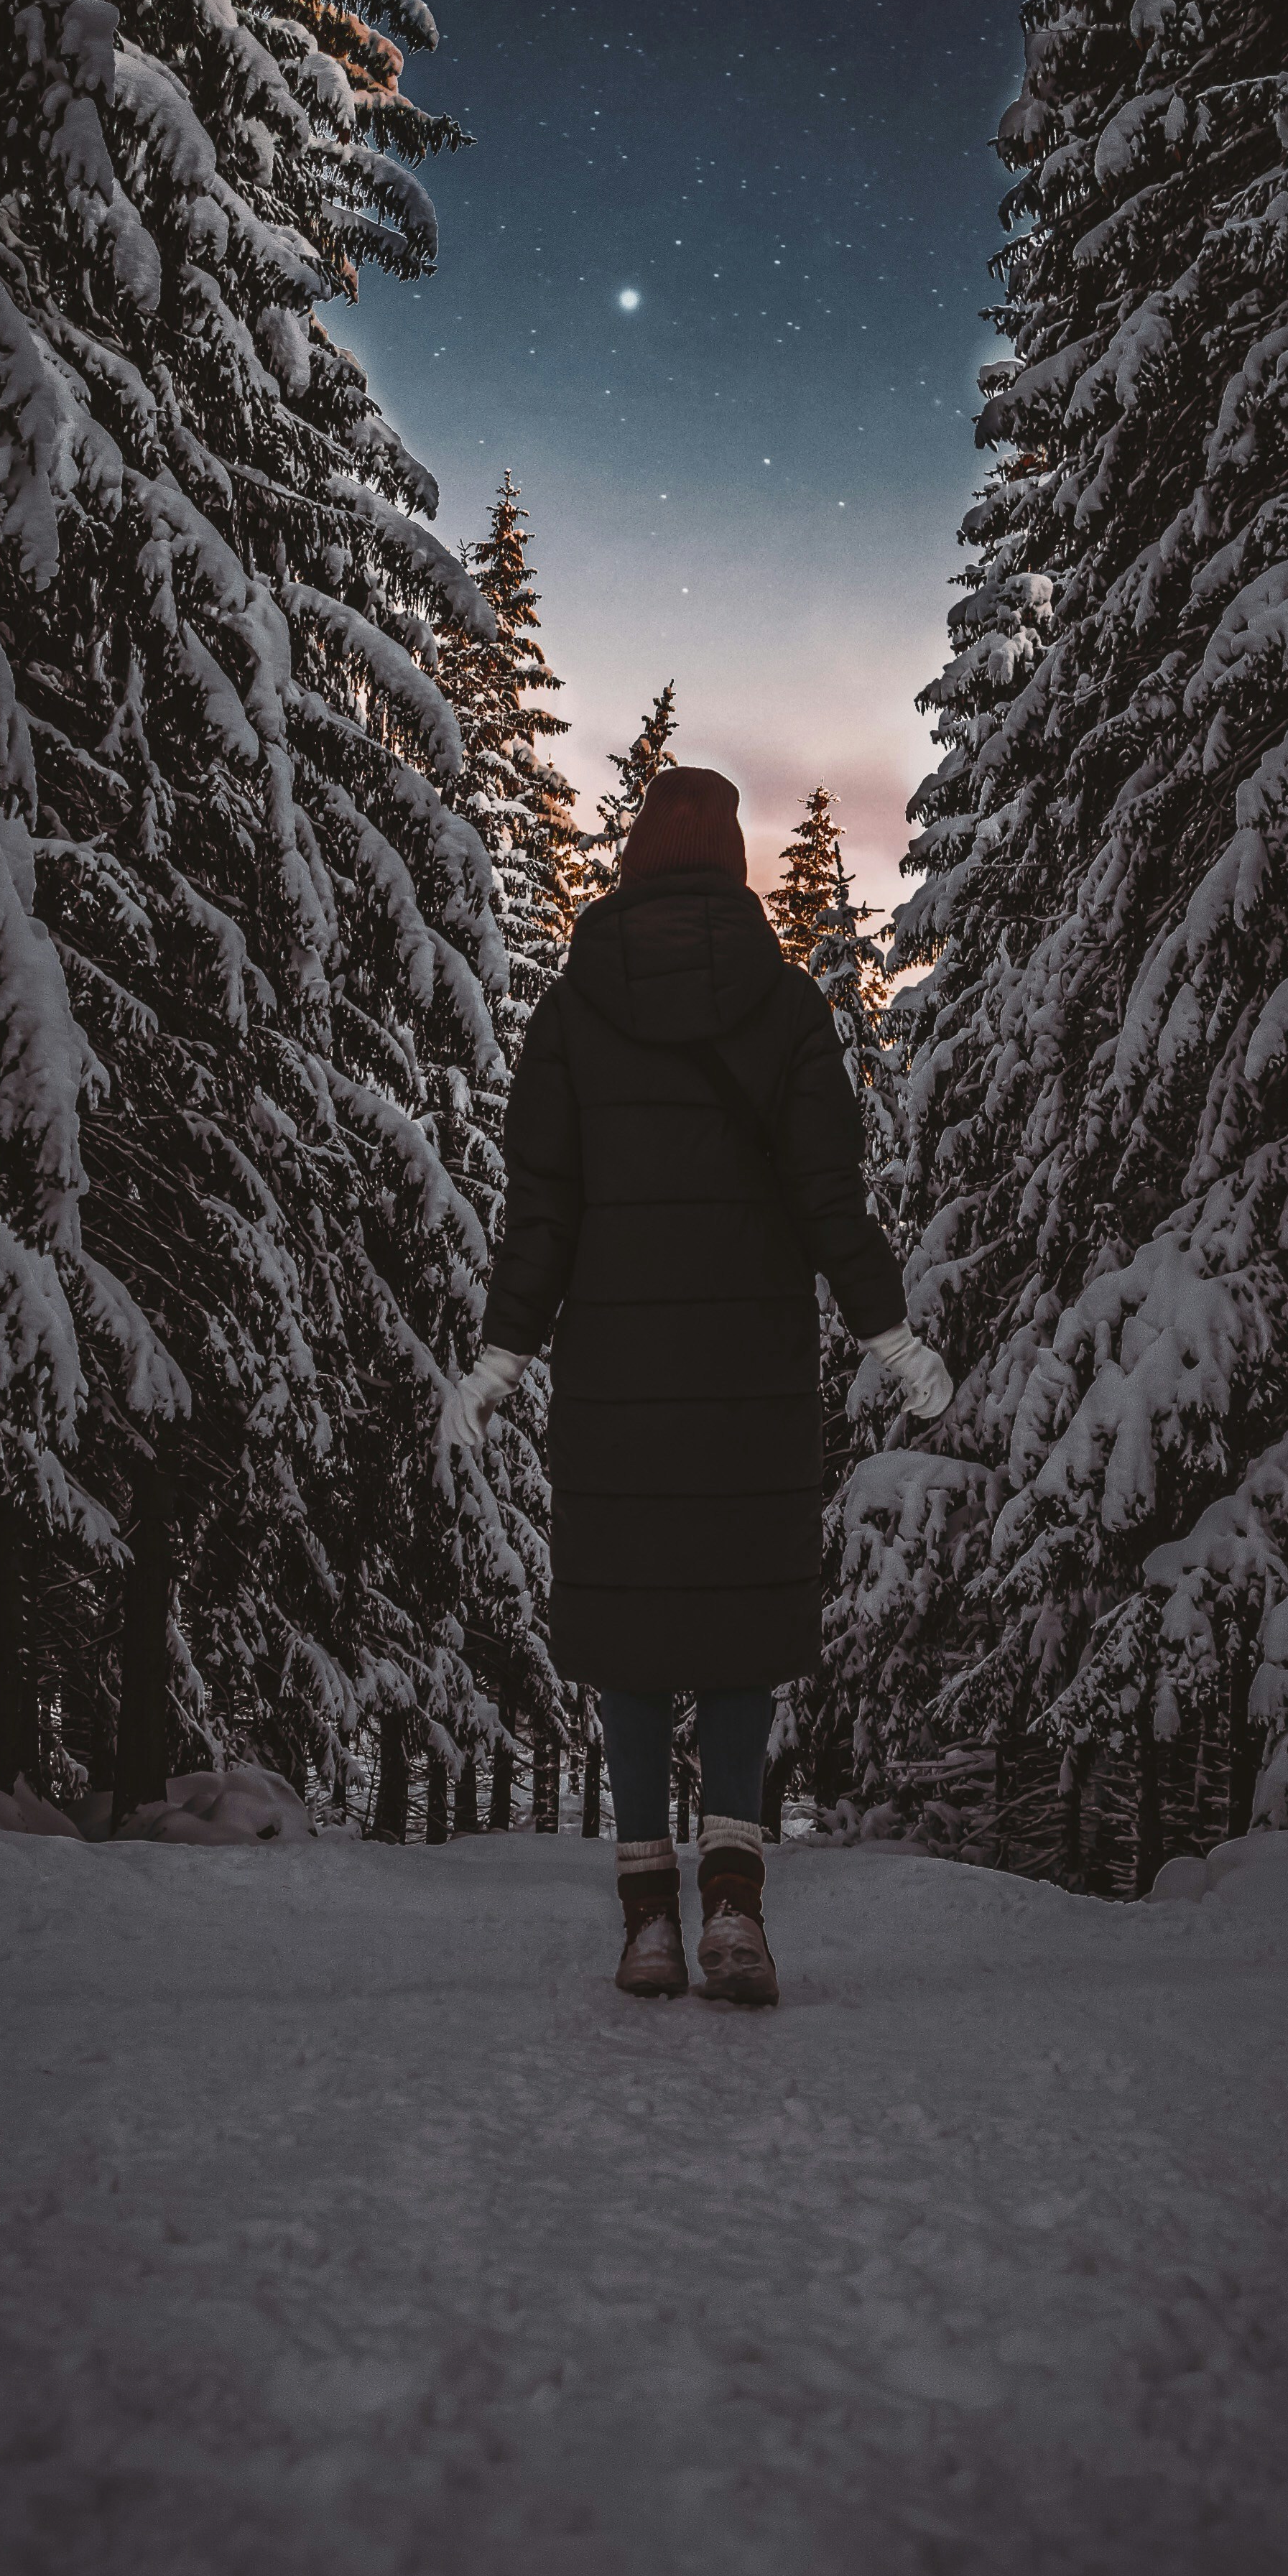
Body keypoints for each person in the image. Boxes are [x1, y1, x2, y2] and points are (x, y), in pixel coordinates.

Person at [440, 766, 951, 2003]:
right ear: (730, 865)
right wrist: (891, 1337)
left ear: (630, 867)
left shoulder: (570, 1015)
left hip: (617, 1378)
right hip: (748, 1383)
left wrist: (499, 1356)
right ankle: (733, 1913)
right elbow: (832, 1201)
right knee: (734, 1638)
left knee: (631, 1641)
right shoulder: (782, 1013)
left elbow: (541, 1216)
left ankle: (644, 1926)